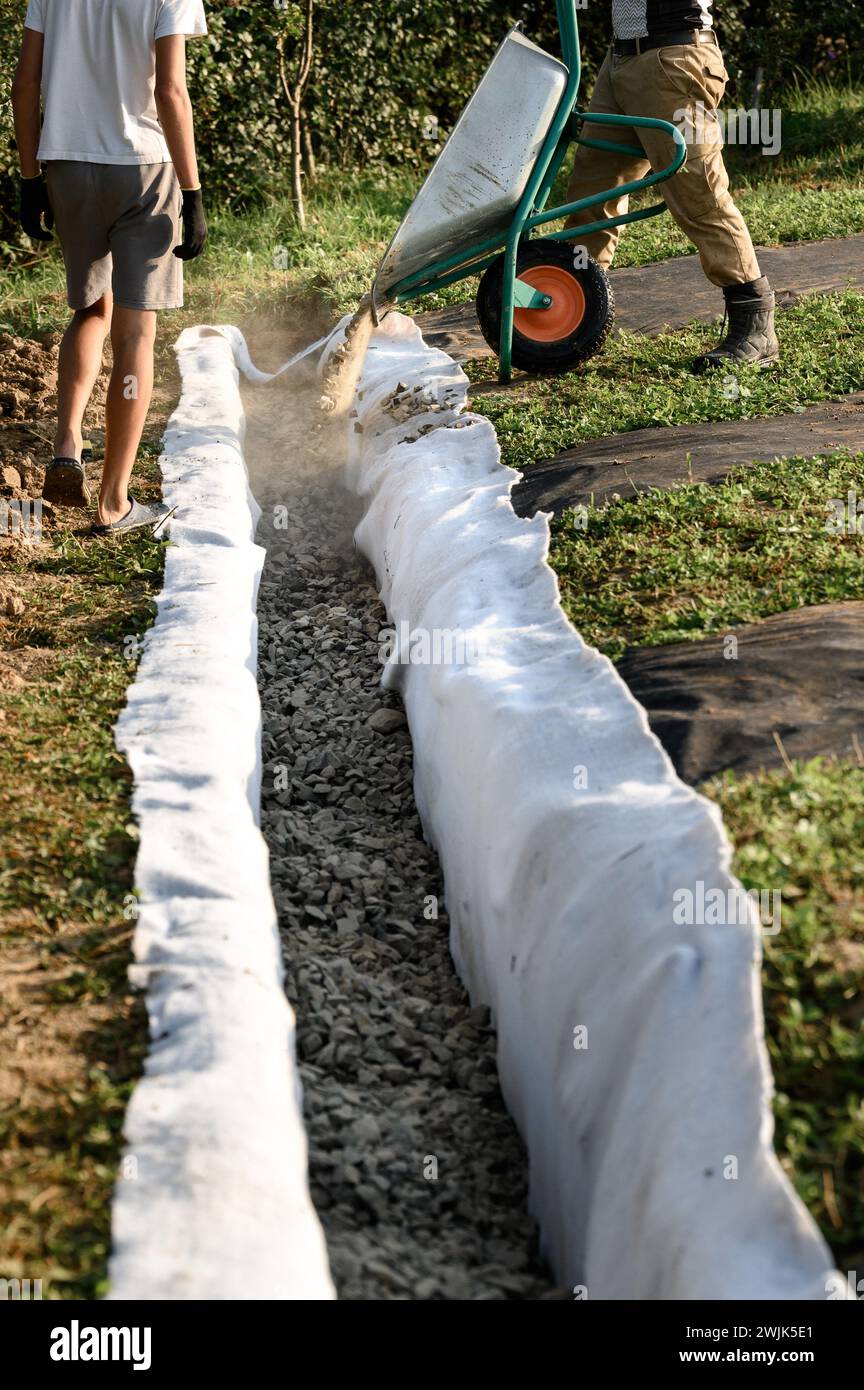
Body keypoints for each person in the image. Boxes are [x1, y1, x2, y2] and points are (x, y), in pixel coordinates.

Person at [11, 0, 209, 533]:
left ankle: (68, 444)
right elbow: (170, 91)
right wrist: (192, 192)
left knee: (90, 311)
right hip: (143, 167)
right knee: (136, 332)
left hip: (69, 165)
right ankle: (113, 504)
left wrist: (30, 178)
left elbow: (24, 85)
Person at [565, 1, 779, 373]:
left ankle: (756, 327)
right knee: (594, 190)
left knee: (699, 194)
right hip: (621, 60)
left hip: (675, 56)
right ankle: (573, 312)